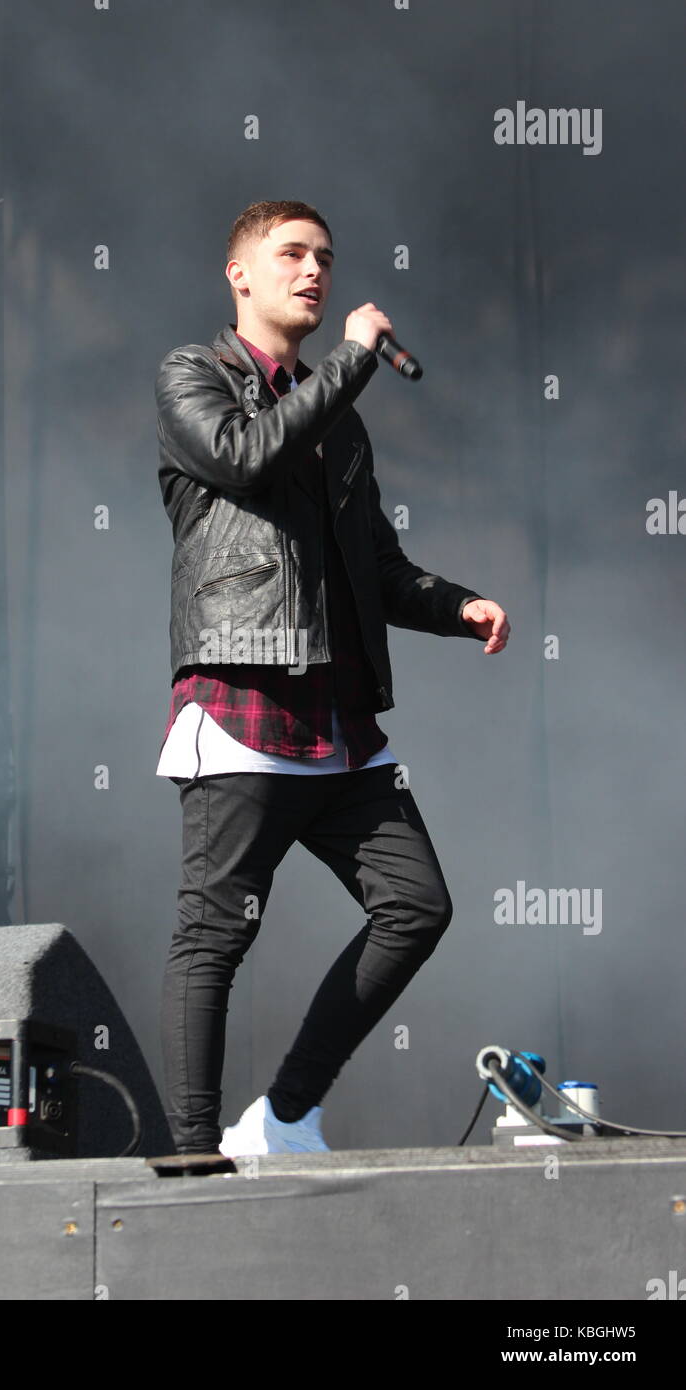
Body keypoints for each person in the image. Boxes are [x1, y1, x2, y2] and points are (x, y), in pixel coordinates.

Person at [154, 199, 509, 1156]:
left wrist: (455, 603)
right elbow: (244, 456)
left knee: (417, 905)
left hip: (340, 726)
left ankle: (281, 1116)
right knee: (216, 938)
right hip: (242, 708)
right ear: (240, 274)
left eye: (325, 258)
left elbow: (376, 568)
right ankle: (191, 1157)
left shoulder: (342, 422)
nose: (315, 271)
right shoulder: (196, 376)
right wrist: (353, 363)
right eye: (291, 254)